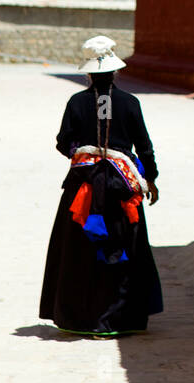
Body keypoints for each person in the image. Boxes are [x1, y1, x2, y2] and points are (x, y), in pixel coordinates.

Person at [39, 35, 163, 337]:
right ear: (115, 71)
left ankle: (80, 318)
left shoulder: (77, 102)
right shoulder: (130, 103)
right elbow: (144, 147)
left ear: (88, 73)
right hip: (121, 188)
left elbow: (63, 142)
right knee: (123, 247)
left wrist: (85, 155)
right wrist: (151, 180)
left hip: (83, 188)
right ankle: (119, 319)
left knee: (80, 249)